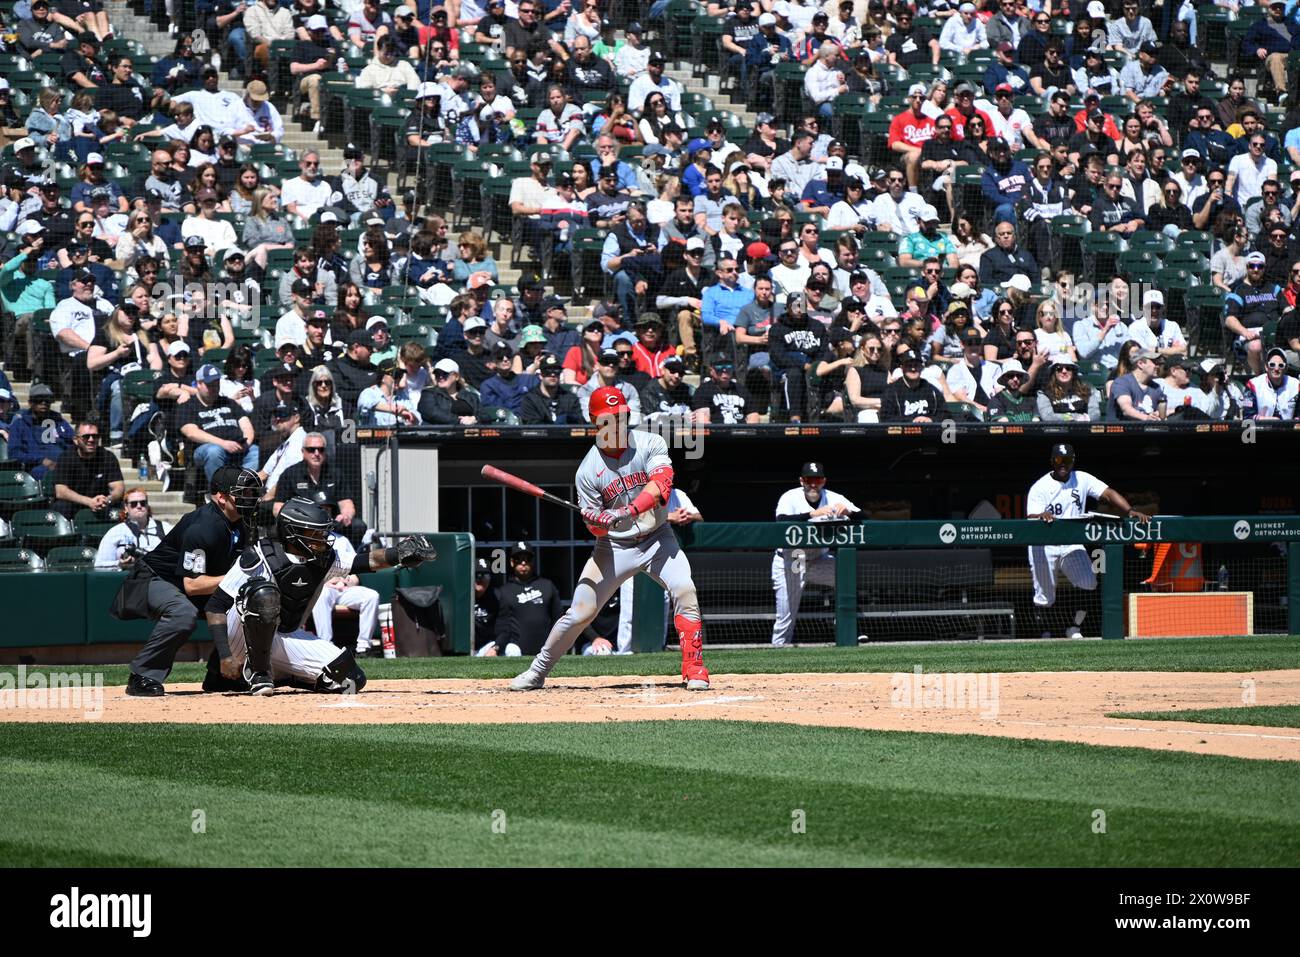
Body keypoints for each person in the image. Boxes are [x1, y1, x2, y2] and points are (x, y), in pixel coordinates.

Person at [508, 387, 710, 692]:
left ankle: (694, 669)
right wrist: (598, 523)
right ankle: (537, 672)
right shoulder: (587, 472)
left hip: (657, 538)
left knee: (684, 589)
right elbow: (595, 529)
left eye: (620, 417)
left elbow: (662, 484)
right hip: (614, 547)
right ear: (594, 422)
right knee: (580, 612)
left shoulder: (649, 442)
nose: (615, 425)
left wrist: (628, 510)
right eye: (607, 420)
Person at [199, 497, 436, 695]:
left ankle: (282, 675)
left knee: (351, 680)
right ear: (293, 533)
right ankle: (258, 674)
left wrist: (400, 553)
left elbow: (365, 561)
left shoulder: (323, 559)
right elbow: (215, 606)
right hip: (239, 636)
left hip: (283, 635)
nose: (322, 538)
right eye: (315, 532)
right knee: (263, 594)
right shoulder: (258, 556)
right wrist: (225, 655)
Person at [124, 467, 263, 697]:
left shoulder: (243, 522)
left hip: (188, 585)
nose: (250, 498)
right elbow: (193, 585)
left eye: (252, 492)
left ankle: (220, 676)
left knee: (249, 604)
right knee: (183, 612)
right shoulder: (204, 527)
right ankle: (142, 676)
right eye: (243, 493)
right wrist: (239, 578)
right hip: (153, 580)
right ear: (221, 497)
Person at [1028, 444, 1150, 638]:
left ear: (1073, 461)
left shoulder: (1082, 478)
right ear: (1052, 461)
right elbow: (1030, 516)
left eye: (1067, 460)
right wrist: (1040, 515)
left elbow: (1108, 493)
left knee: (1088, 582)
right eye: (1059, 460)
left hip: (1072, 542)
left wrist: (1129, 511)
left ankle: (1073, 627)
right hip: (1045, 543)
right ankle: (1045, 632)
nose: (1063, 465)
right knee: (1044, 596)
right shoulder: (1040, 487)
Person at [769, 462, 859, 648]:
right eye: (809, 479)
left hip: (819, 559)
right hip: (793, 558)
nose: (813, 484)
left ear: (823, 481)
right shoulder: (790, 497)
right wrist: (812, 513)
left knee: (845, 576)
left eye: (817, 480)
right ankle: (778, 651)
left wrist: (848, 511)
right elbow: (781, 520)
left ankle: (847, 630)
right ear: (802, 481)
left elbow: (863, 516)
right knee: (786, 616)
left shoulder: (833, 497)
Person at [94, 487, 171, 569]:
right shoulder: (115, 532)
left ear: (147, 505)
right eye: (134, 504)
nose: (139, 506)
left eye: (143, 503)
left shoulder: (165, 528)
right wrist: (119, 564)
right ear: (126, 507)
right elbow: (99, 564)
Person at [1243, 347, 1299, 420]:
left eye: (1281, 365)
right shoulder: (1253, 385)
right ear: (1266, 367)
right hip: (1261, 429)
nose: (1276, 369)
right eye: (1272, 364)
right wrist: (1270, 420)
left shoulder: (1296, 385)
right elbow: (1247, 417)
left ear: (1285, 369)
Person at [1108, 349, 1165, 421]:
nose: (1157, 366)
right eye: (1154, 362)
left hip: (1148, 430)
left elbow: (1162, 409)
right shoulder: (1122, 382)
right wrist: (1147, 418)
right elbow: (1126, 409)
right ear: (1140, 364)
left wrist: (1159, 413)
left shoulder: (1155, 387)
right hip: (1123, 429)